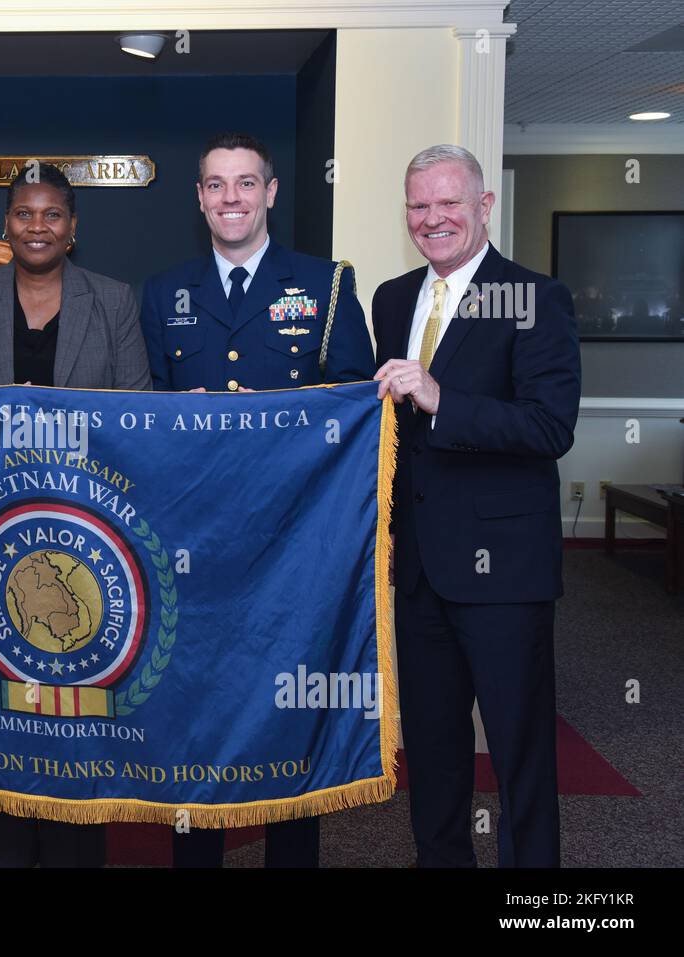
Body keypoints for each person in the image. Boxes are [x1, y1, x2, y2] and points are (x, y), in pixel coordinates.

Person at [140, 132, 375, 867]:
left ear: (271, 192)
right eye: (216, 185)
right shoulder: (165, 293)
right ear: (200, 199)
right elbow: (139, 418)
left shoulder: (327, 283)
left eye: (246, 183)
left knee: (285, 719)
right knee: (196, 720)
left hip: (292, 547)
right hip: (195, 552)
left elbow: (355, 412)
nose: (231, 198)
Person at [0, 162, 150, 865]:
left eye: (52, 214)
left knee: (75, 717)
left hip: (82, 544)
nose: (37, 226)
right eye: (24, 213)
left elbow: (137, 418)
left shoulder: (114, 301)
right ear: (7, 223)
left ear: (73, 227)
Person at [373, 144, 580, 867]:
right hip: (421, 570)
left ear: (484, 207)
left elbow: (550, 427)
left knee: (520, 755)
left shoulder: (534, 298)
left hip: (506, 577)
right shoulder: (392, 298)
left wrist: (441, 398)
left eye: (448, 204)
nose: (432, 219)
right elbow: (393, 440)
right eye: (419, 206)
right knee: (431, 754)